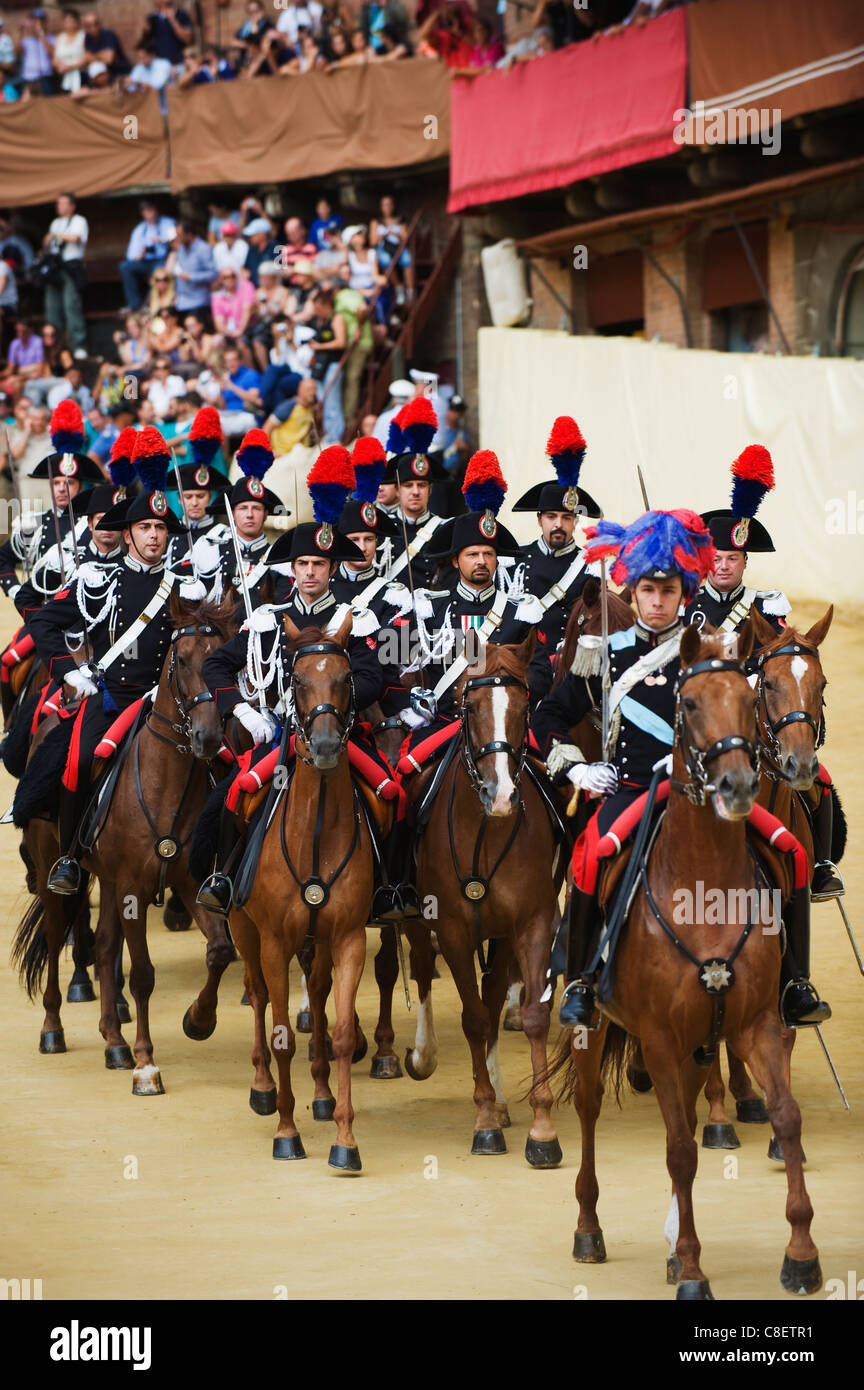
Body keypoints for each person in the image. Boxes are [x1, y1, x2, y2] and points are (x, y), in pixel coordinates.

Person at [532, 508, 830, 1031]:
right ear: (633, 589)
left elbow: (746, 711)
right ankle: (581, 980)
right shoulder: (605, 654)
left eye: (668, 591)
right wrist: (577, 770)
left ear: (683, 592)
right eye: (648, 590)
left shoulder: (712, 650)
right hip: (631, 790)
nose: (656, 601)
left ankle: (795, 983)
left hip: (704, 791)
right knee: (591, 858)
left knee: (794, 852)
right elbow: (549, 716)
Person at [26, 427, 199, 895]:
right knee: (78, 763)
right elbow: (42, 622)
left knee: (220, 760)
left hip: (173, 702)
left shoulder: (186, 585)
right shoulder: (97, 579)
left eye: (162, 528)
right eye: (145, 527)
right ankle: (70, 857)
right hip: (114, 697)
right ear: (127, 533)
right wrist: (70, 670)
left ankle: (216, 864)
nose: (154, 535)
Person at [508, 416, 603, 649]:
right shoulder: (515, 561)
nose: (558, 524)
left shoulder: (590, 566)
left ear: (575, 521)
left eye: (566, 517)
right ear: (540, 519)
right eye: (551, 516)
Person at [691, 446, 790, 637]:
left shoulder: (767, 609)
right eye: (716, 559)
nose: (724, 566)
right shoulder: (685, 605)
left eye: (733, 558)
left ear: (745, 562)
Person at [42, 192, 88, 360]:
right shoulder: (55, 223)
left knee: (71, 305)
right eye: (58, 203)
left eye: (62, 203)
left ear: (72, 206)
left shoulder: (79, 220)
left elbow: (75, 238)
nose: (58, 206)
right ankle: (56, 345)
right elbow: (48, 243)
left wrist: (56, 236)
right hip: (55, 266)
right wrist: (48, 239)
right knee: (52, 307)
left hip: (71, 266)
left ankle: (78, 345)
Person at [119, 201, 178, 312]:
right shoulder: (139, 229)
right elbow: (131, 255)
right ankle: (134, 305)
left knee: (158, 272)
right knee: (125, 266)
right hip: (145, 261)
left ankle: (152, 303)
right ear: (143, 213)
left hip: (163, 259)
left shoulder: (168, 223)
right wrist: (141, 254)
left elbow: (175, 240)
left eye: (151, 210)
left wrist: (161, 240)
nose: (150, 214)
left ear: (156, 210)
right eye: (147, 211)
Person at [306, 286, 346, 444]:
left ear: (325, 306)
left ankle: (335, 437)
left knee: (332, 402)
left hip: (333, 365)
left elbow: (341, 342)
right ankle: (329, 435)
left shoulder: (337, 318)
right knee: (322, 400)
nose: (316, 312)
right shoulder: (320, 321)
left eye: (317, 308)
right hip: (320, 366)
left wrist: (319, 347)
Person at [369, 194, 414, 303]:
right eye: (384, 205)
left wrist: (395, 232)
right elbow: (372, 241)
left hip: (398, 247)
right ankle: (399, 288)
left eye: (389, 204)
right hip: (384, 248)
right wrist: (384, 234)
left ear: (393, 206)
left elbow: (406, 237)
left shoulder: (400, 219)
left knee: (407, 259)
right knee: (385, 260)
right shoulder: (376, 221)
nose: (387, 207)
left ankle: (410, 292)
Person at [168, 221, 217, 316]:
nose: (177, 238)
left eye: (179, 235)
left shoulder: (204, 249)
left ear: (189, 234)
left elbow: (213, 273)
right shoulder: (181, 249)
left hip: (198, 302)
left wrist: (192, 276)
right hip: (181, 302)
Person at [213, 344, 262, 437]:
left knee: (218, 428)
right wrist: (220, 390)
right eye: (227, 361)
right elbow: (222, 406)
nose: (230, 364)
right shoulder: (227, 378)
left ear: (240, 361)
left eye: (233, 360)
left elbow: (254, 398)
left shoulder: (250, 375)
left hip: (246, 415)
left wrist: (232, 387)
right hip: (229, 416)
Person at [211, 267, 257, 339]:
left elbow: (247, 311)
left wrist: (240, 330)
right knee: (216, 341)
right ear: (221, 280)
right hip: (229, 332)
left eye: (233, 276)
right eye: (226, 277)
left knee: (242, 341)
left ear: (236, 277)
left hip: (248, 328)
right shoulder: (217, 298)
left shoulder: (246, 286)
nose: (230, 279)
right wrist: (230, 333)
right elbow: (219, 322)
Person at [18, 10, 56, 96]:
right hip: (29, 78)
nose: (37, 24)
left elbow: (51, 52)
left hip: (45, 77)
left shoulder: (51, 38)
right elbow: (17, 52)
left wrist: (40, 33)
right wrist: (21, 31)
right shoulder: (26, 40)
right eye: (34, 21)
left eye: (40, 21)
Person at [82, 10, 130, 76]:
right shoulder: (87, 38)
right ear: (85, 28)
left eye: (96, 24)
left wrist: (93, 56)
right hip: (100, 75)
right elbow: (86, 58)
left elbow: (109, 59)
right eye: (89, 26)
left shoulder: (108, 34)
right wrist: (101, 56)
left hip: (119, 72)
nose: (93, 28)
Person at [125, 41, 173, 107]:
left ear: (152, 55)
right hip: (145, 107)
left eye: (144, 57)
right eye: (139, 58)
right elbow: (130, 86)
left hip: (164, 105)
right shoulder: (139, 67)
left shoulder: (163, 64)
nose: (141, 61)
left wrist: (136, 83)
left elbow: (157, 87)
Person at [52, 8, 87, 93]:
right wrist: (61, 66)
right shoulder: (60, 38)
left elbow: (87, 57)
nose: (68, 24)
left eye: (71, 21)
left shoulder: (83, 36)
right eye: (66, 22)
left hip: (81, 74)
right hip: (65, 76)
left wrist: (71, 67)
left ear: (77, 22)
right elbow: (55, 59)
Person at [145, 356, 186, 420]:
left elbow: (177, 405)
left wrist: (159, 417)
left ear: (169, 369)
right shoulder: (153, 386)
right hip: (158, 421)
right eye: (157, 368)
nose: (161, 370)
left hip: (175, 419)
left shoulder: (177, 380)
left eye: (165, 367)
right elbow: (151, 406)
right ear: (154, 371)